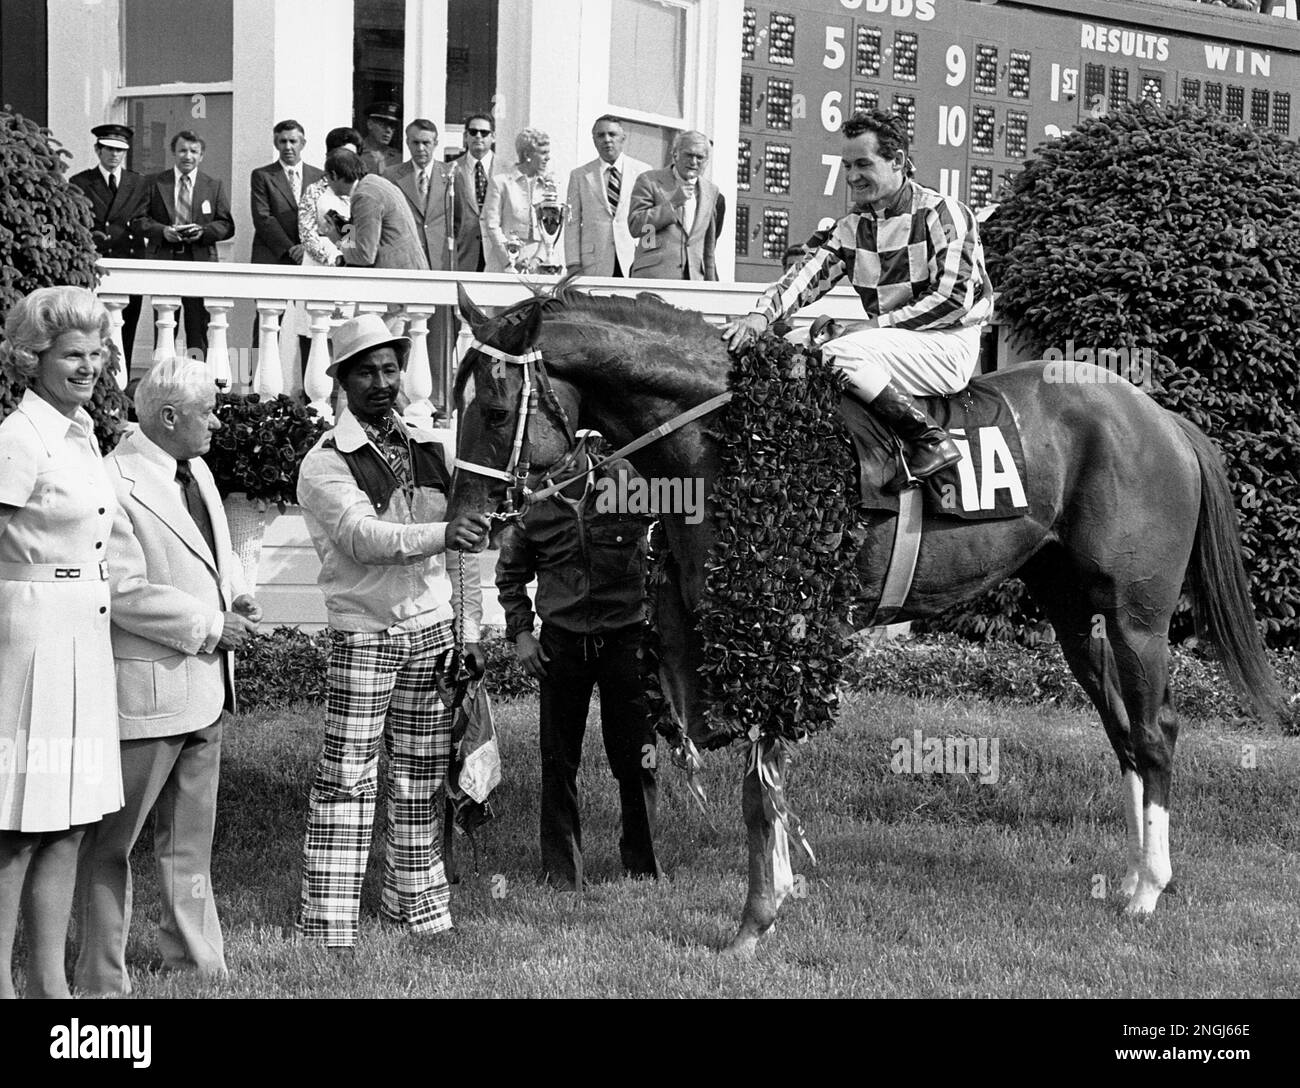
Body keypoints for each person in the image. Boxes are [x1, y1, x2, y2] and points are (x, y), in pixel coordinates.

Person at [295, 314, 488, 948]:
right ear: (341, 383)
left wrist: (471, 628)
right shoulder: (325, 463)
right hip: (364, 632)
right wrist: (444, 532)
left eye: (389, 368)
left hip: (432, 631)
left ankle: (418, 908)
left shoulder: (433, 446)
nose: (382, 382)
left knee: (421, 776)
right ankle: (329, 924)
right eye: (366, 372)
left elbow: (470, 531)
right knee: (348, 775)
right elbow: (362, 538)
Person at [74, 358, 260, 996]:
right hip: (148, 693)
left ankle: (195, 961)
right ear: (168, 417)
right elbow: (122, 590)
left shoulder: (198, 470)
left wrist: (237, 595)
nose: (217, 421)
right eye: (207, 411)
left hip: (206, 689)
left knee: (190, 841)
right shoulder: (114, 480)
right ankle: (100, 977)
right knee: (109, 844)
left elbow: (216, 553)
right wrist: (210, 625)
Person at [722, 109, 994, 486]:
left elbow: (954, 300)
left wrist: (872, 325)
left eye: (863, 164)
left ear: (897, 160)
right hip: (890, 342)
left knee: (839, 353)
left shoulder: (942, 212)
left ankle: (930, 439)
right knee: (788, 346)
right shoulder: (850, 227)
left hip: (948, 343)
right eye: (847, 165)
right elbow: (803, 278)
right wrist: (760, 317)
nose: (851, 177)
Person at [0, 286, 124, 998]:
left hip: (83, 632)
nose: (87, 366)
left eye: (96, 352)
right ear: (34, 358)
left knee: (69, 821)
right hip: (30, 638)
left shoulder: (82, 434)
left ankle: (52, 991)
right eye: (70, 354)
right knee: (15, 827)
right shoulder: (20, 440)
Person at [496, 454, 659, 892]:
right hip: (561, 645)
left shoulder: (628, 480)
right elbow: (510, 573)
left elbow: (689, 512)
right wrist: (521, 635)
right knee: (558, 759)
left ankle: (643, 865)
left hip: (626, 641)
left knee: (639, 755)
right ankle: (563, 872)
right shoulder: (531, 502)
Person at [141, 131, 236, 355]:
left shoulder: (213, 185)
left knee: (198, 327)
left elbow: (226, 225)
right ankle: (163, 380)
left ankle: (197, 378)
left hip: (199, 261)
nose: (188, 156)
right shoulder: (155, 182)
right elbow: (138, 220)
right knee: (164, 325)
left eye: (194, 151)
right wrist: (162, 231)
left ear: (201, 156)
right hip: (165, 259)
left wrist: (203, 232)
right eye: (183, 150)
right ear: (173, 152)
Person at [68, 124, 150, 371]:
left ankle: (120, 384)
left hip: (130, 259)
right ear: (98, 150)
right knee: (95, 327)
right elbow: (73, 222)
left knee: (127, 324)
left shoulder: (138, 182)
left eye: (120, 150)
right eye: (109, 149)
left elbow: (143, 220)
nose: (115, 155)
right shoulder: (81, 182)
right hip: (98, 263)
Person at [250, 119, 324, 367]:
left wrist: (309, 247)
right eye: (283, 141)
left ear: (303, 143)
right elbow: (263, 217)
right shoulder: (263, 175)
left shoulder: (320, 176)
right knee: (267, 322)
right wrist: (291, 248)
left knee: (310, 324)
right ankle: (254, 386)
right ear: (275, 143)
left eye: (293, 141)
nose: (288, 146)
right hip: (273, 255)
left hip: (310, 259)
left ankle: (307, 387)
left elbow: (328, 220)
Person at [627, 130, 724, 281]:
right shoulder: (649, 181)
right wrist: (673, 203)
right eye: (688, 155)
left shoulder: (711, 191)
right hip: (654, 276)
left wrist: (711, 286)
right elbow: (636, 225)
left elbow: (708, 245)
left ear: (706, 161)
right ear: (675, 155)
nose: (693, 162)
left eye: (700, 157)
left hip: (694, 280)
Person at [564, 115, 651, 277]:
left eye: (612, 134)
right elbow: (571, 222)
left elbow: (650, 221)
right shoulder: (580, 175)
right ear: (594, 140)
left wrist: (650, 255)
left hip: (633, 259)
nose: (607, 140)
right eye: (600, 135)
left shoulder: (643, 172)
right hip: (594, 262)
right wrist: (573, 263)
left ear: (623, 138)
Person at [326, 149, 429, 270]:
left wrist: (338, 241)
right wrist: (347, 232)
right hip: (409, 269)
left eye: (326, 176)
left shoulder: (365, 196)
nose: (326, 182)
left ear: (333, 175)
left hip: (399, 276)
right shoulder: (374, 183)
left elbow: (364, 256)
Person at [482, 127, 560, 273]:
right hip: (504, 263)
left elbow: (551, 228)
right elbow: (492, 226)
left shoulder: (549, 186)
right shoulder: (501, 183)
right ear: (527, 154)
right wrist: (510, 260)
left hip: (539, 265)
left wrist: (537, 259)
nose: (548, 158)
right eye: (543, 153)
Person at [388, 119, 455, 270]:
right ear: (407, 142)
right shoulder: (391, 175)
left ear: (436, 143)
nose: (420, 148)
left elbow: (461, 221)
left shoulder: (452, 174)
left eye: (426, 143)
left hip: (442, 259)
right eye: (415, 142)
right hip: (406, 259)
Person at [299, 127, 362, 269]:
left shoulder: (362, 191)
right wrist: (335, 260)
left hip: (352, 264)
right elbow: (307, 234)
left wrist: (348, 258)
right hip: (319, 264)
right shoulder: (314, 191)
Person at [451, 112, 497, 273]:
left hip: (498, 255)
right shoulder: (450, 170)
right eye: (473, 132)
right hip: (463, 255)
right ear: (465, 136)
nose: (478, 136)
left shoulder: (506, 170)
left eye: (484, 133)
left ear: (493, 137)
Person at [361, 101, 403, 173]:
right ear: (370, 124)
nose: (388, 131)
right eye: (383, 125)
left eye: (392, 126)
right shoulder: (356, 154)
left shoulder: (399, 158)